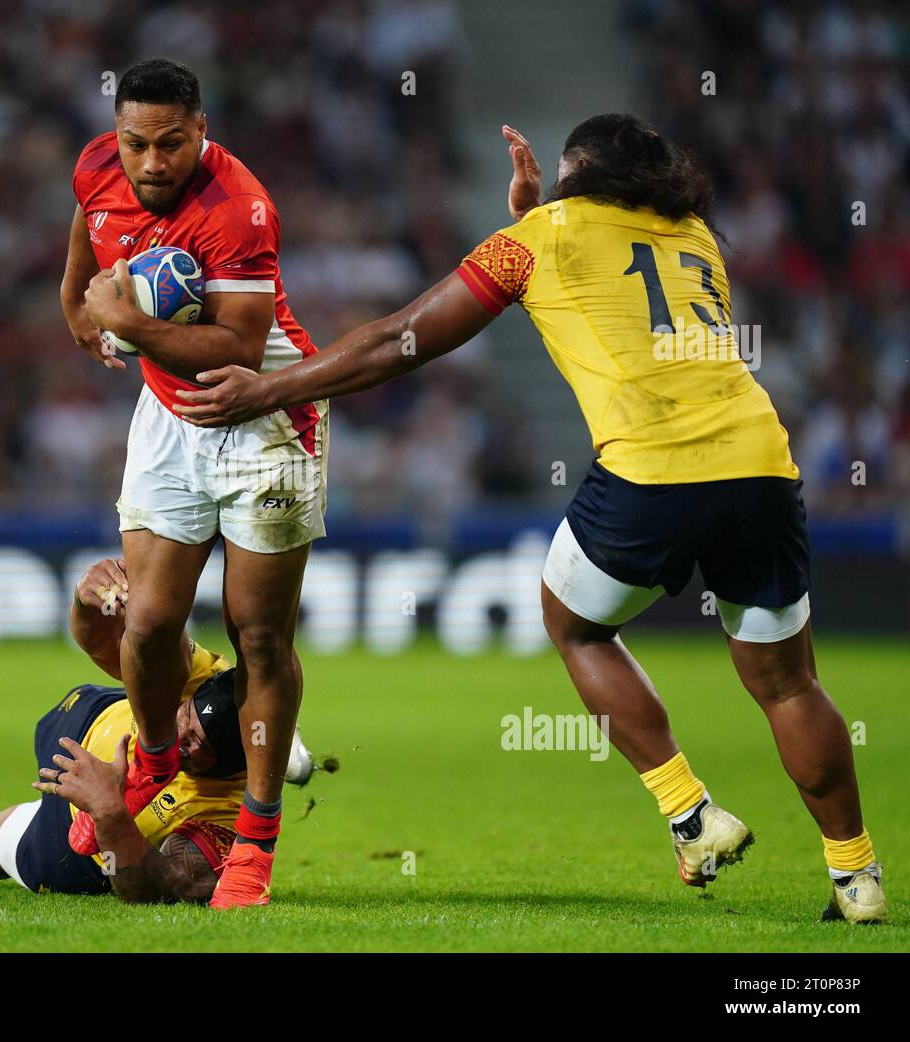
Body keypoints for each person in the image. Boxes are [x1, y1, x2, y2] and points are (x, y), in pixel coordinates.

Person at [173, 115, 886, 924]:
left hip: (651, 472)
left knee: (574, 624)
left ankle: (691, 814)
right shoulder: (694, 236)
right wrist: (538, 214)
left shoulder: (534, 241)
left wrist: (270, 387)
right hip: (761, 465)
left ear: (575, 173)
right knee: (790, 684)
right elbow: (612, 271)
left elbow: (399, 340)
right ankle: (856, 874)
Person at [61, 58, 328, 907]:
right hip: (171, 420)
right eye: (136, 143)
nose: (152, 162)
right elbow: (88, 234)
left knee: (258, 639)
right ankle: (153, 760)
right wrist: (75, 304)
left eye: (171, 143)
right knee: (145, 624)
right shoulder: (98, 165)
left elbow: (239, 348)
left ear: (202, 130)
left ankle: (255, 842)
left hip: (263, 421)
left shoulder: (239, 207)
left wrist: (126, 322)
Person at [0, 558, 318, 903]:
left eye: (199, 748)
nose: (185, 738)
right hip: (83, 718)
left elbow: (153, 890)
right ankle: (278, 737)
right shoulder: (210, 677)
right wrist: (86, 600)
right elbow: (103, 642)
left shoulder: (222, 817)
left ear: (231, 769)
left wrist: (108, 811)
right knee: (156, 639)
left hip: (83, 836)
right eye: (187, 721)